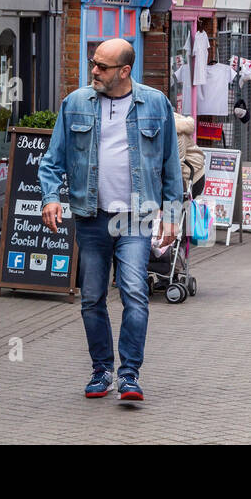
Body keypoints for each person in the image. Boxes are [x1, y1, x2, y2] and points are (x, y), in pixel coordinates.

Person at [39, 38, 181, 404]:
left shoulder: (155, 104)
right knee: (92, 298)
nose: (94, 71)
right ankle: (101, 370)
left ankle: (129, 374)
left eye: (102, 66)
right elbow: (52, 161)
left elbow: (170, 164)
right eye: (93, 63)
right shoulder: (75, 104)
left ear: (125, 71)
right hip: (91, 216)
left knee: (135, 293)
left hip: (136, 217)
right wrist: (51, 198)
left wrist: (173, 214)